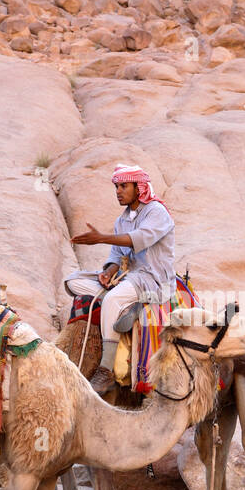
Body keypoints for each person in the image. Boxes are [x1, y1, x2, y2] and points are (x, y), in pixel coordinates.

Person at [65, 164, 176, 393]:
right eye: (116, 186)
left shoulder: (157, 212)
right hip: (127, 279)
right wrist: (108, 272)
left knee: (111, 300)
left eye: (123, 186)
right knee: (73, 282)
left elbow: (139, 239)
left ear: (139, 187)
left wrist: (101, 238)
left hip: (152, 279)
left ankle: (105, 371)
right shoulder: (122, 219)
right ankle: (123, 299)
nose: (118, 191)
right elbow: (117, 255)